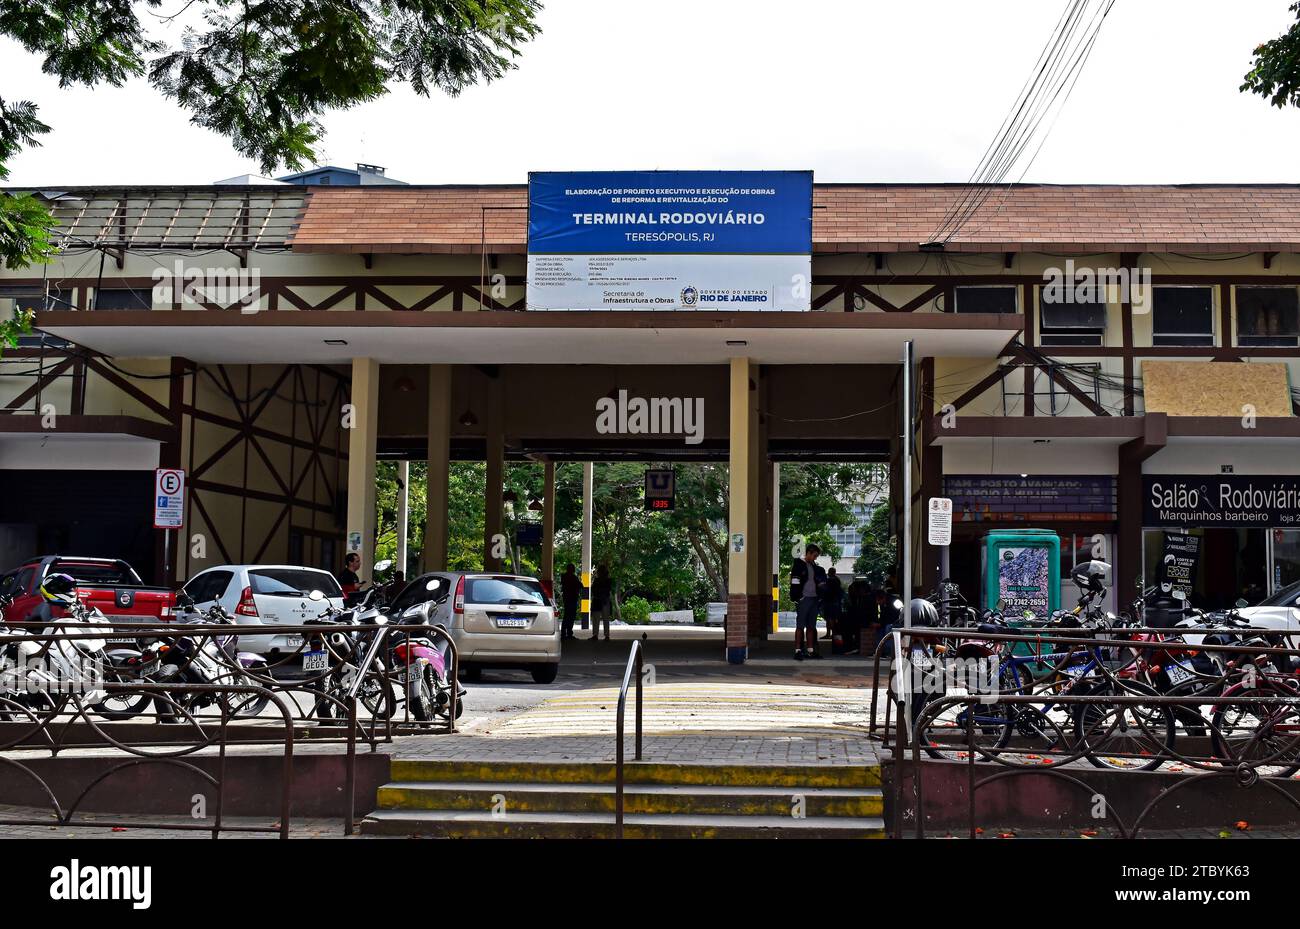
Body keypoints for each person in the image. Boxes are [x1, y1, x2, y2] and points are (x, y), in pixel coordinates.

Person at [791, 543, 827, 660]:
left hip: (814, 598)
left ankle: (811, 651)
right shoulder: (798, 564)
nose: (815, 558)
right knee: (800, 625)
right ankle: (798, 650)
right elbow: (794, 581)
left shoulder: (814, 566)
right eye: (815, 555)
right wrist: (797, 597)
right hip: (804, 598)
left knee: (811, 626)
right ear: (809, 553)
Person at [590, 564, 612, 641]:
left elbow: (594, 590)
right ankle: (606, 636)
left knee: (596, 619)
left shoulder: (597, 580)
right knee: (605, 619)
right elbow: (607, 590)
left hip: (598, 600)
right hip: (604, 601)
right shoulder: (608, 580)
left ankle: (596, 635)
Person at [559, 563, 581, 640]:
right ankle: (569, 634)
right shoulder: (573, 577)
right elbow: (580, 585)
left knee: (566, 616)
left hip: (566, 599)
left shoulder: (564, 577)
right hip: (572, 599)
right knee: (571, 617)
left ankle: (563, 634)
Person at [821, 567, 843, 641]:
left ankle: (829, 634)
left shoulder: (829, 580)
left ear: (830, 572)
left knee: (829, 619)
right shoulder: (837, 580)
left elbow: (825, 590)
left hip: (829, 602)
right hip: (836, 602)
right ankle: (833, 634)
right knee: (833, 619)